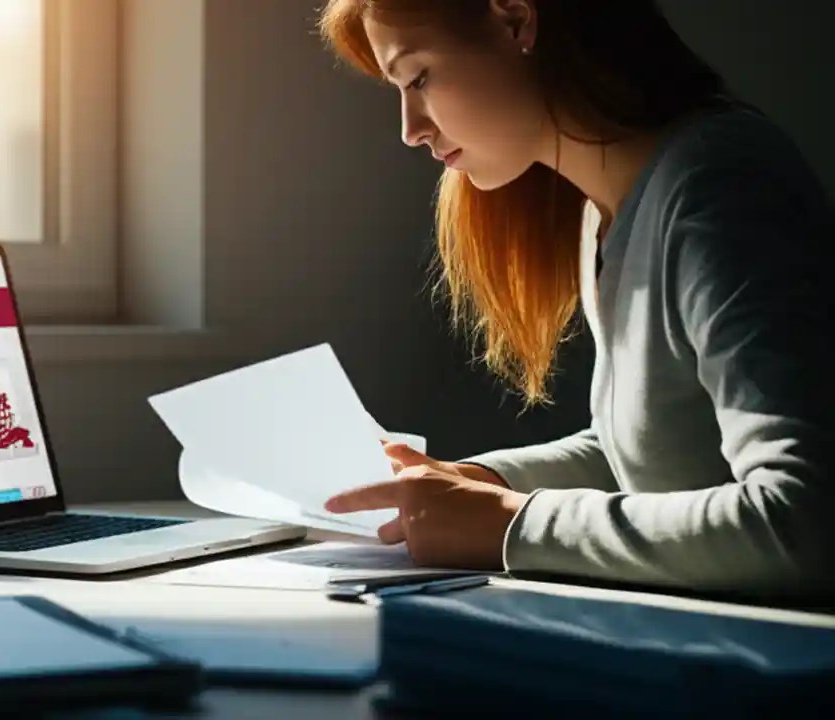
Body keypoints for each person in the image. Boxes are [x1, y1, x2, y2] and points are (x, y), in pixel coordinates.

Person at [317, 0, 834, 600]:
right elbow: (652, 458)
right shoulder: (604, 215)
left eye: (418, 78)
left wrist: (511, 522)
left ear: (514, 19)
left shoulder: (719, 188)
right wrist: (477, 484)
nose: (411, 129)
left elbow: (805, 521)